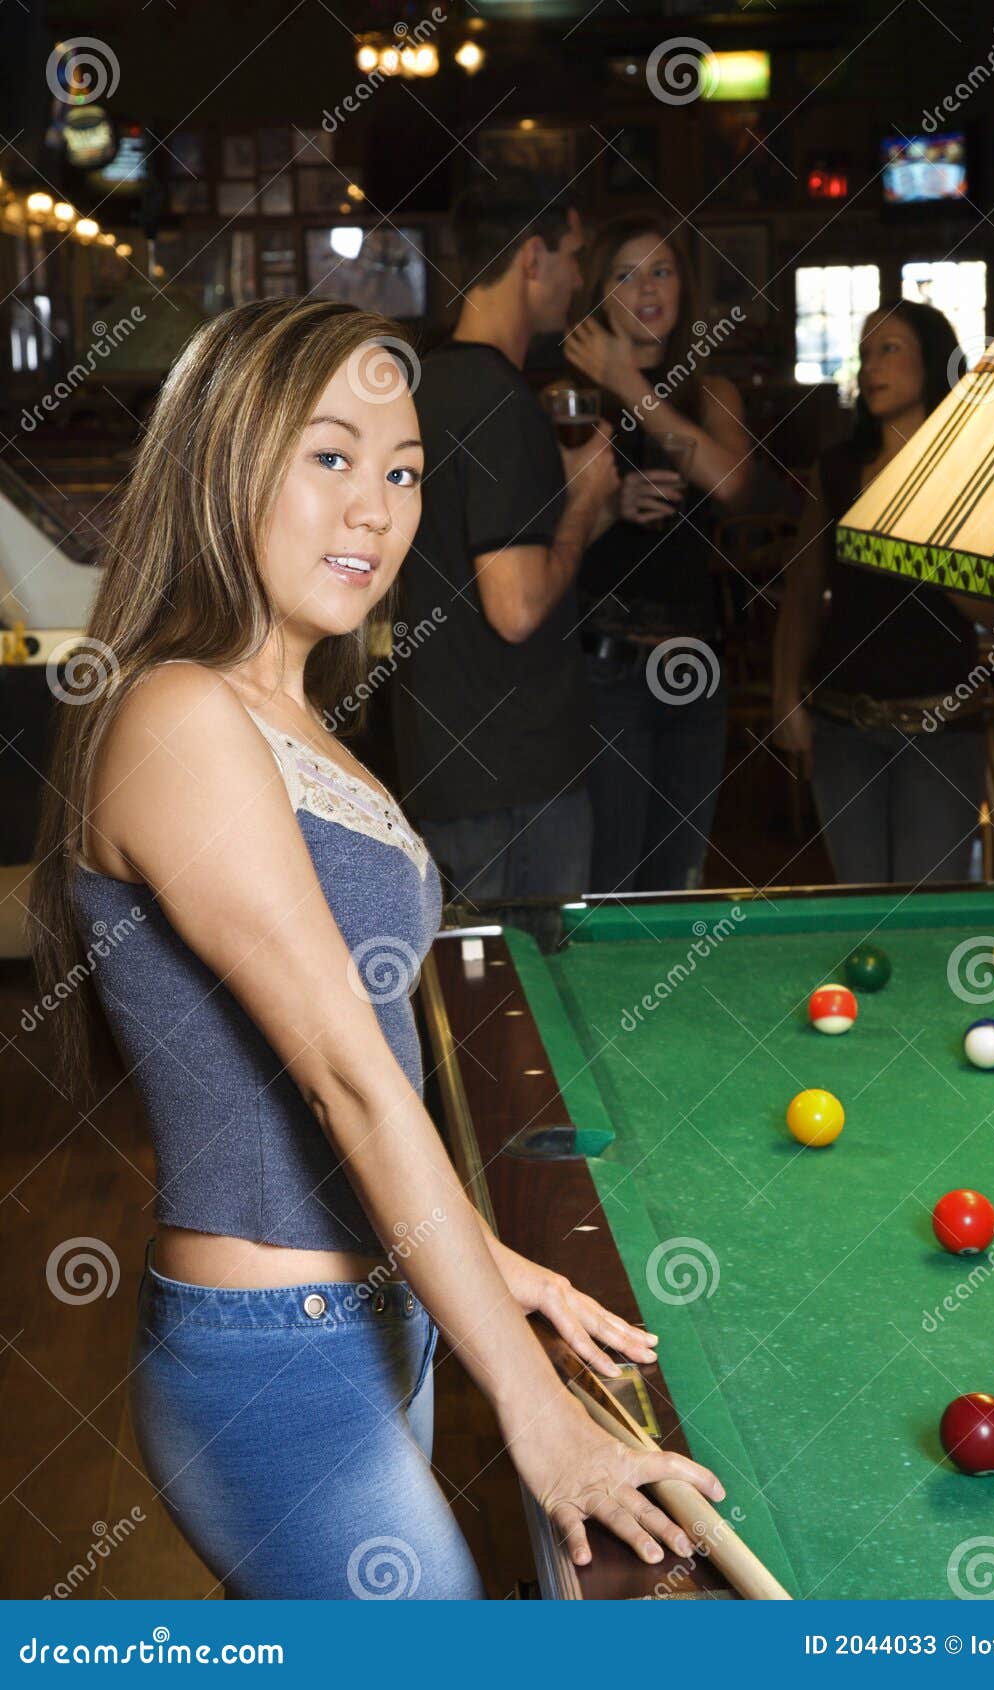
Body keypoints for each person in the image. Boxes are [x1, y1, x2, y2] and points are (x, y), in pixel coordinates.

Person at [27, 299, 723, 1601]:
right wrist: (535, 1417)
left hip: (370, 1321)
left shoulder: (305, 720)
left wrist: (495, 1267)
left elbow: (376, 1069)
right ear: (222, 457)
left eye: (403, 470)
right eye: (330, 455)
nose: (378, 508)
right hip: (269, 1357)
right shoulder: (177, 713)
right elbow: (347, 1071)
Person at [392, 173, 618, 902]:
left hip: (437, 758)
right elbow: (516, 607)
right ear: (531, 259)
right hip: (515, 779)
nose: (579, 278)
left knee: (468, 1004)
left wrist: (581, 511)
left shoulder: (418, 388)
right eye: (572, 256)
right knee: (526, 1003)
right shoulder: (503, 401)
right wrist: (582, 499)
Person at [773, 300, 994, 885]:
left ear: (934, 362)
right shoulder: (836, 468)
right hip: (844, 724)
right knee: (860, 903)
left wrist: (918, 520)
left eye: (889, 349)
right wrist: (786, 696)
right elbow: (802, 593)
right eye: (865, 353)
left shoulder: (972, 469)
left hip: (943, 724)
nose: (870, 367)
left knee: (925, 901)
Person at [564, 213, 750, 892]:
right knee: (612, 878)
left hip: (695, 667)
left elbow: (729, 481)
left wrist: (632, 384)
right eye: (625, 274)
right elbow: (542, 543)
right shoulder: (572, 399)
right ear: (597, 294)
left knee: (677, 878)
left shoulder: (711, 393)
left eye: (661, 271)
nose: (647, 289)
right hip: (604, 669)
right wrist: (612, 508)